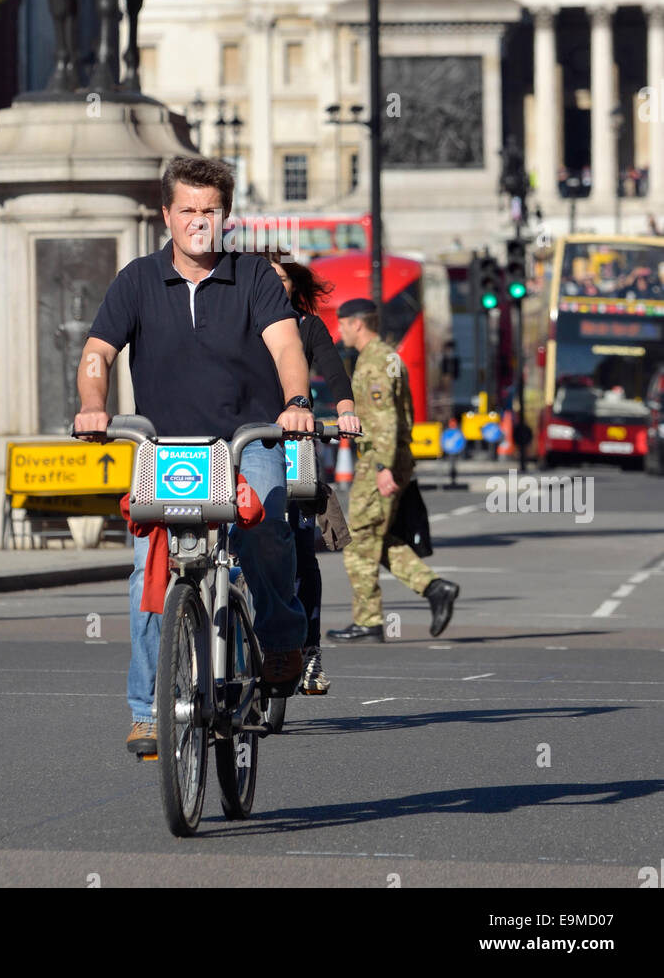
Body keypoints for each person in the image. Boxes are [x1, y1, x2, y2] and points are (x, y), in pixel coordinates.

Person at [74, 155, 312, 755]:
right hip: (166, 451)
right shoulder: (136, 281)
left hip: (247, 440)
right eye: (187, 211)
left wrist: (297, 401)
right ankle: (148, 711)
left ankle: (284, 636)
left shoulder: (254, 279)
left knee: (267, 531)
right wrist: (93, 405)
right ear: (166, 216)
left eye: (210, 211)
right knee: (146, 576)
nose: (198, 222)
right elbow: (97, 353)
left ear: (225, 217)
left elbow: (286, 347)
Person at [326, 298, 459, 643]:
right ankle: (434, 588)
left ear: (356, 324)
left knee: (358, 541)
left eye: (342, 324)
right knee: (375, 540)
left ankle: (368, 621)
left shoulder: (374, 363)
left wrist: (383, 467)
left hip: (379, 460)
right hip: (391, 455)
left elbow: (385, 420)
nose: (340, 331)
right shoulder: (389, 357)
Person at [266, 255, 361, 693]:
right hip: (238, 443)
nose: (272, 285)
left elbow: (335, 371)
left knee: (302, 550)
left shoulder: (306, 327)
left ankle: (308, 652)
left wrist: (345, 411)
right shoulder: (237, 324)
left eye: (280, 279)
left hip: (293, 445)